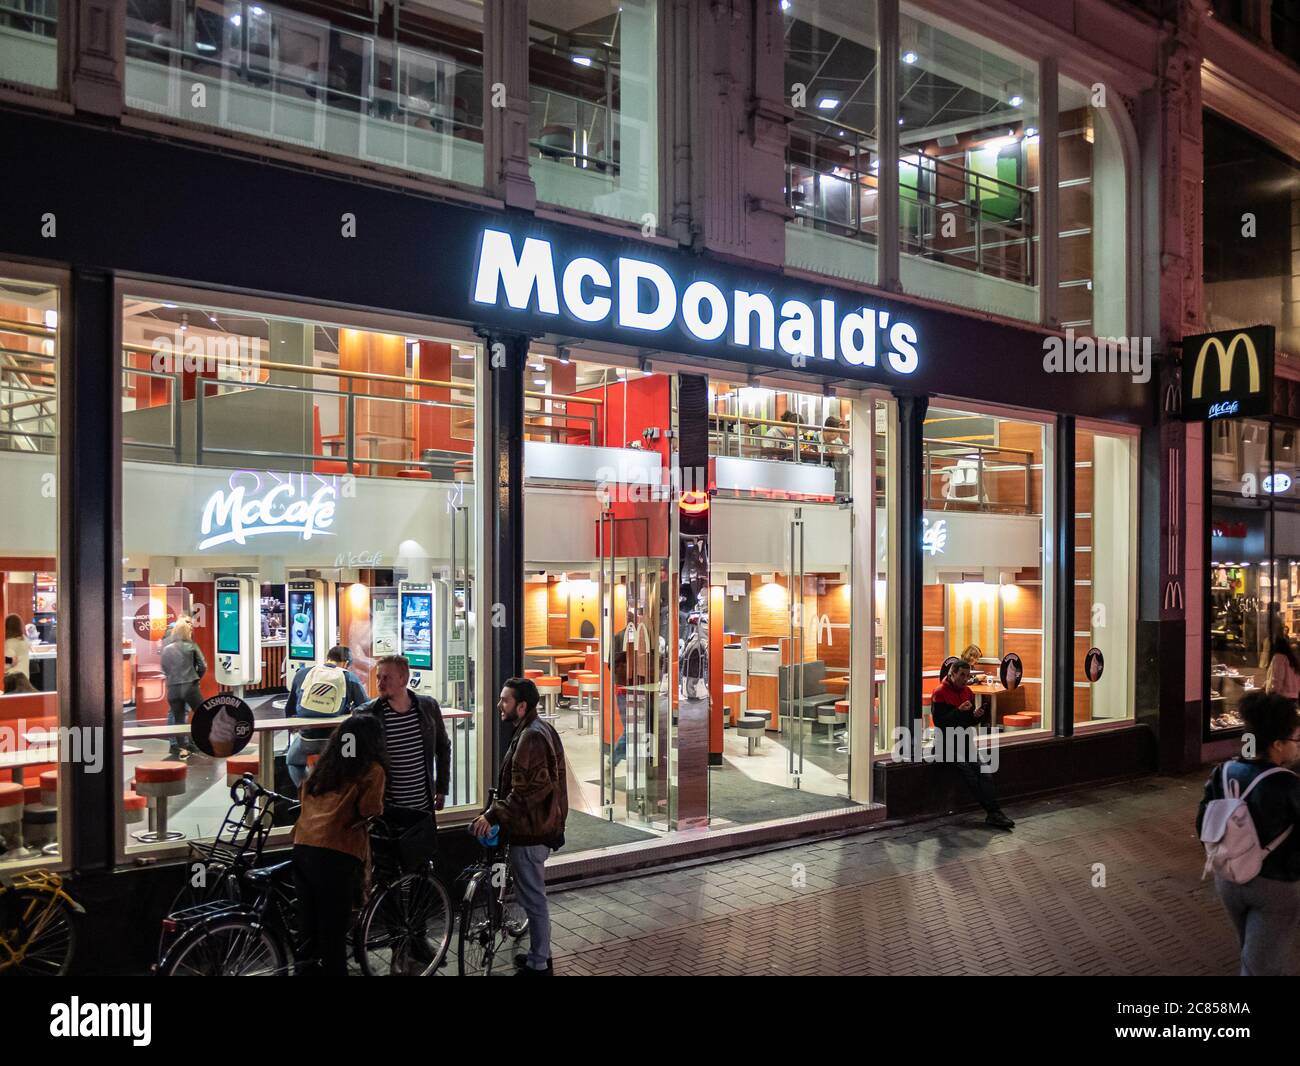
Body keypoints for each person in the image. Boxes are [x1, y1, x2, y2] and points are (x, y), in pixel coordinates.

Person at [1197, 692, 1300, 976]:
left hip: (1228, 878)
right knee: (1262, 966)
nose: (1297, 747)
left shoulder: (1223, 771)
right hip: (1275, 886)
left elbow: (1203, 822)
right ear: (1278, 744)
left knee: (1252, 951)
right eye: (1295, 739)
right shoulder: (1286, 784)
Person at [472, 678, 569, 976]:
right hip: (535, 828)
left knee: (534, 900)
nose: (500, 705)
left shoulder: (532, 737)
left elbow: (527, 791)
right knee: (533, 897)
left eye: (505, 700)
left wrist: (493, 815)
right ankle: (540, 955)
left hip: (531, 832)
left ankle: (539, 965)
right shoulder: (536, 729)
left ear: (522, 706)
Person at [291, 713, 387, 977]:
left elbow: (303, 794)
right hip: (336, 853)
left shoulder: (324, 766)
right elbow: (369, 809)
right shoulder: (372, 770)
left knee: (308, 928)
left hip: (303, 845)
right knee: (333, 932)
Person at [930, 658, 1014, 830]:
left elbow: (967, 722)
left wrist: (976, 716)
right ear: (952, 674)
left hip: (964, 741)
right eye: (962, 675)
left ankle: (994, 812)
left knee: (985, 773)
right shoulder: (940, 693)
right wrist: (958, 711)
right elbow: (940, 723)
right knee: (969, 773)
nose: (965, 679)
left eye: (967, 675)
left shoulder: (968, 692)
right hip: (945, 743)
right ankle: (992, 812)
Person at [285, 646, 368, 788]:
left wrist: (292, 728)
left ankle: (306, 793)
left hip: (308, 738)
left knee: (293, 761)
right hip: (342, 739)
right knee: (351, 762)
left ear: (328, 658)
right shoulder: (349, 677)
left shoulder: (304, 673)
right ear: (346, 663)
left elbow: (290, 707)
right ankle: (342, 794)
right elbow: (365, 707)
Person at [159, 618, 206, 759]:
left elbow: (164, 667)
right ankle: (203, 741)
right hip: (190, 686)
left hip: (173, 688)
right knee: (203, 713)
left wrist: (172, 678)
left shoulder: (166, 648)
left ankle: (182, 748)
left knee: (178, 718)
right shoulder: (191, 646)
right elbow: (202, 666)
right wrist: (196, 677)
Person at [1267, 636, 1300, 700]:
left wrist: (1273, 693)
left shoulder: (1279, 658)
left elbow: (1278, 678)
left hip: (1282, 697)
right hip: (1294, 696)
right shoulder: (1292, 659)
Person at [4, 613, 30, 682]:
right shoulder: (24, 639)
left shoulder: (9, 643)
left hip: (13, 680)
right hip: (25, 678)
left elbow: (7, 665)